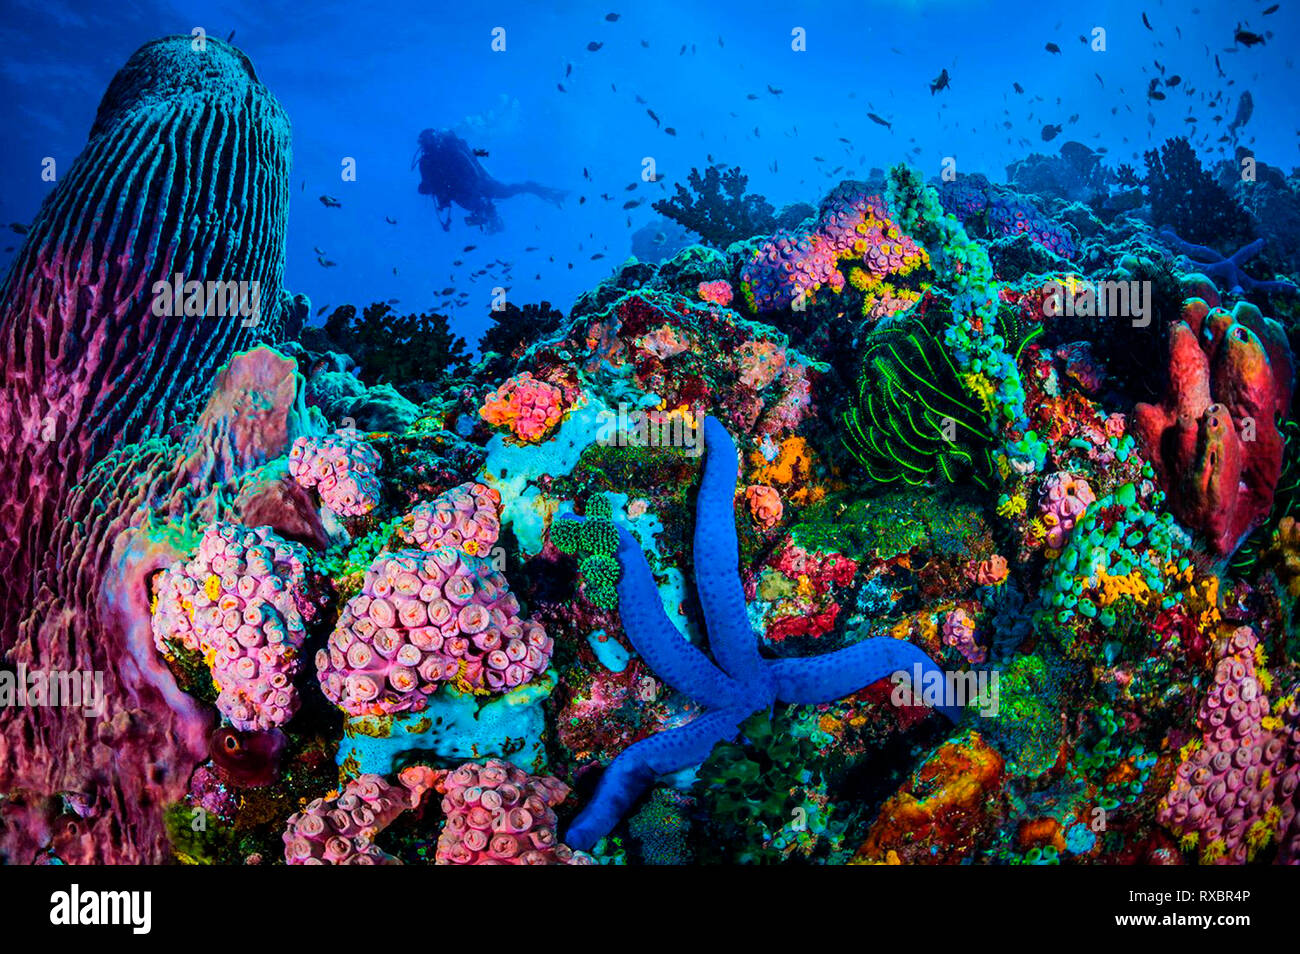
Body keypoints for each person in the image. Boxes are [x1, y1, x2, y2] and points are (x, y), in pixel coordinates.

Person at [413, 128, 567, 233]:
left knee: (502, 193)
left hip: (476, 185)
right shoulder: (426, 162)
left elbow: (470, 168)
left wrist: (474, 190)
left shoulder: (449, 151)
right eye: (426, 142)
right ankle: (530, 190)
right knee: (502, 194)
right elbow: (426, 185)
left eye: (430, 140)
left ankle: (532, 188)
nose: (429, 145)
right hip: (464, 190)